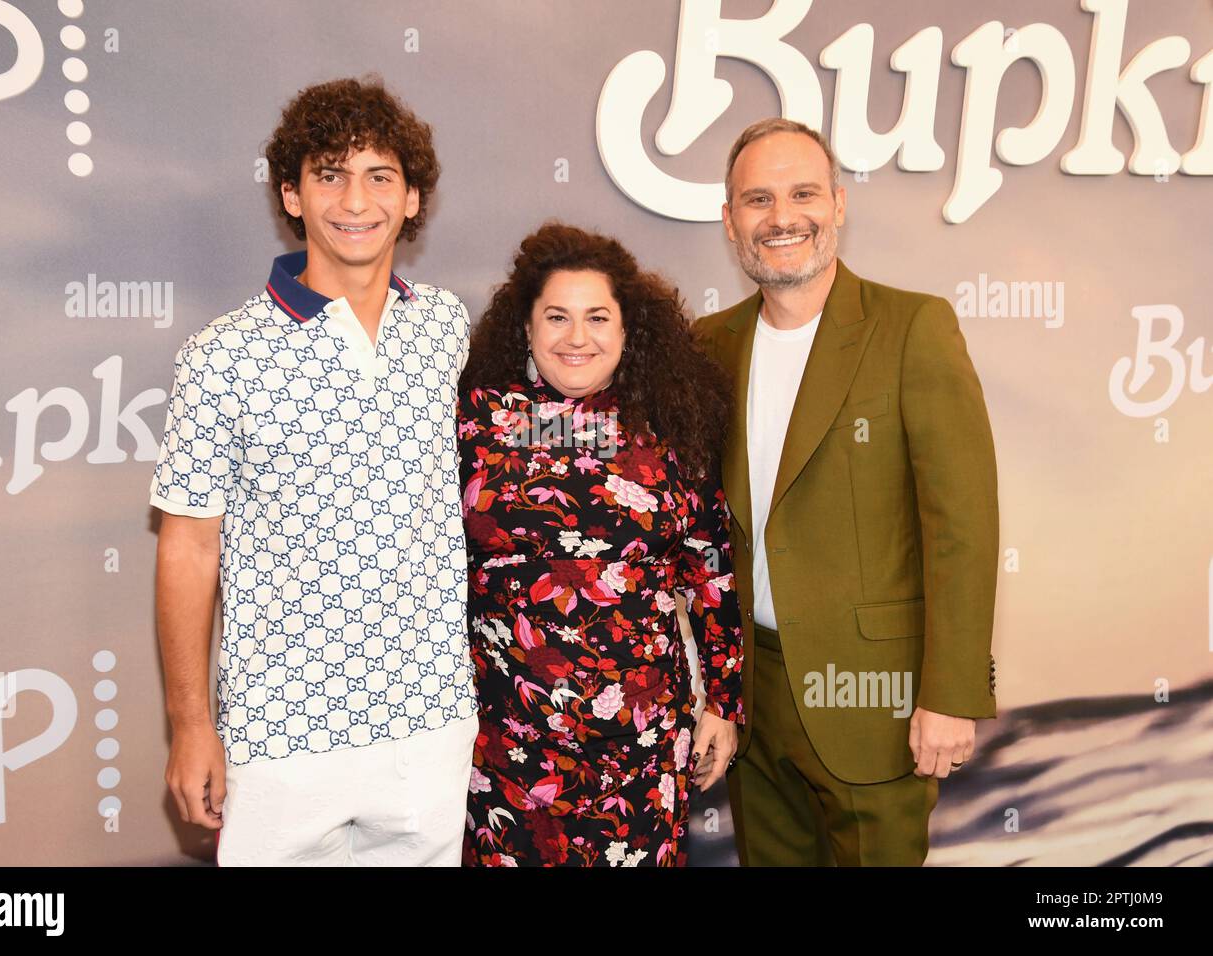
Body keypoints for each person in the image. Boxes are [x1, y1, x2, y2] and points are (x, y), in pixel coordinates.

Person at [148, 76, 478, 866]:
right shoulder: (219, 356)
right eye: (329, 174)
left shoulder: (445, 328)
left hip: (428, 725)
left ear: (412, 200)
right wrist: (192, 727)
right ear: (291, 194)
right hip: (281, 740)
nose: (354, 200)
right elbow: (188, 550)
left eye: (379, 176)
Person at [694, 118, 999, 866]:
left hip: (878, 701)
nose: (781, 217)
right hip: (753, 702)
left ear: (837, 203)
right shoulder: (708, 345)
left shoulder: (913, 328)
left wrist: (951, 692)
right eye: (757, 199)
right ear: (729, 220)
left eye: (802, 193)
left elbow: (961, 524)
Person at [457, 223, 745, 866]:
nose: (577, 337)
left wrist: (722, 703)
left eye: (597, 317)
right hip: (505, 740)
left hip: (639, 742)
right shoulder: (476, 422)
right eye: (556, 316)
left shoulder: (671, 423)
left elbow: (709, 569)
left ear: (626, 330)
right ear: (526, 328)